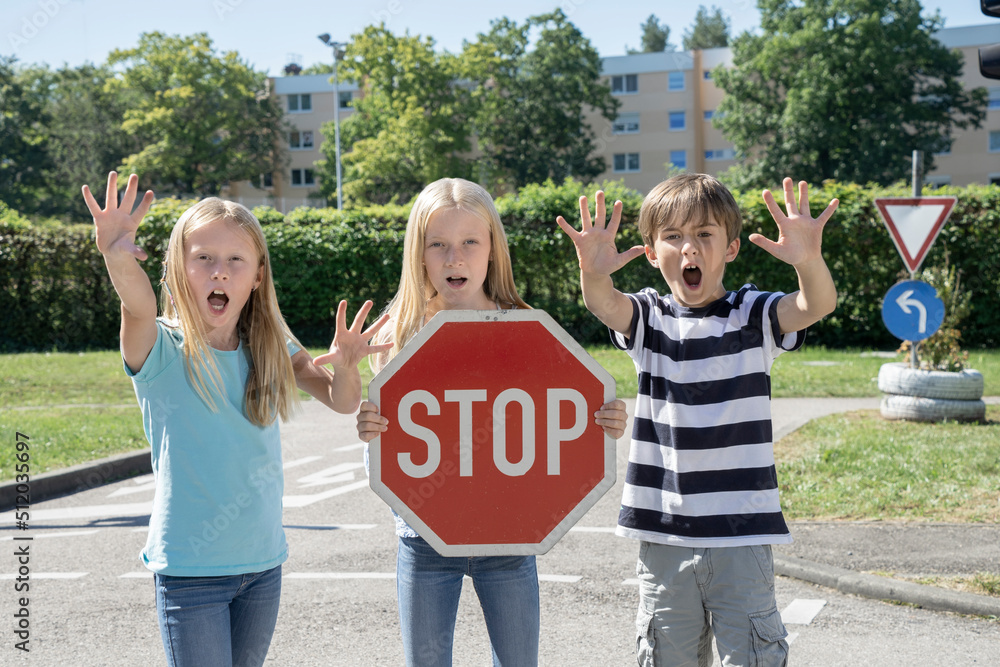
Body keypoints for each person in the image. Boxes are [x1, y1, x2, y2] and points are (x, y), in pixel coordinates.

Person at [83, 171, 390, 667]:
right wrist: (116, 255)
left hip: (263, 565)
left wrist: (349, 365)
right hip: (190, 572)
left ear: (258, 275)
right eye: (203, 258)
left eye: (234, 260)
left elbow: (341, 400)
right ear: (179, 269)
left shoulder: (272, 346)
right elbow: (136, 306)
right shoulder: (160, 347)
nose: (219, 272)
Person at [556, 174, 839, 666]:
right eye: (674, 237)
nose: (690, 248)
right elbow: (604, 302)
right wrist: (594, 272)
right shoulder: (649, 318)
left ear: (730, 249)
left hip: (742, 535)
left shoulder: (753, 315)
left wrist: (808, 261)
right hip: (663, 533)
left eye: (704, 235)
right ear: (650, 252)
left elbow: (816, 304)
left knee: (751, 656)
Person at [356, 177, 630, 667]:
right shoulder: (397, 334)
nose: (453, 258)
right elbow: (387, 437)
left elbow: (562, 407)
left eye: (469, 243)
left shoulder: (523, 325)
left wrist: (602, 418)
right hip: (423, 540)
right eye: (437, 244)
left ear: (492, 251)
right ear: (418, 253)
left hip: (509, 538)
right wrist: (369, 428)